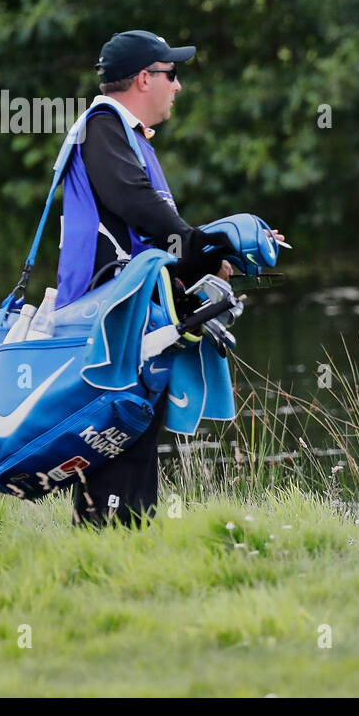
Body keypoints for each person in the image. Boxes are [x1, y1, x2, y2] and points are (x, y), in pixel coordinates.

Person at [56, 29, 283, 527]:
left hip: (128, 309)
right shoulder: (103, 126)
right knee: (117, 433)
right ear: (144, 78)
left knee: (136, 431)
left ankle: (124, 543)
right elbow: (137, 205)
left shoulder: (124, 132)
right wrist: (204, 247)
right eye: (171, 74)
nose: (177, 86)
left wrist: (207, 255)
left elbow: (147, 232)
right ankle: (107, 543)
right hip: (108, 315)